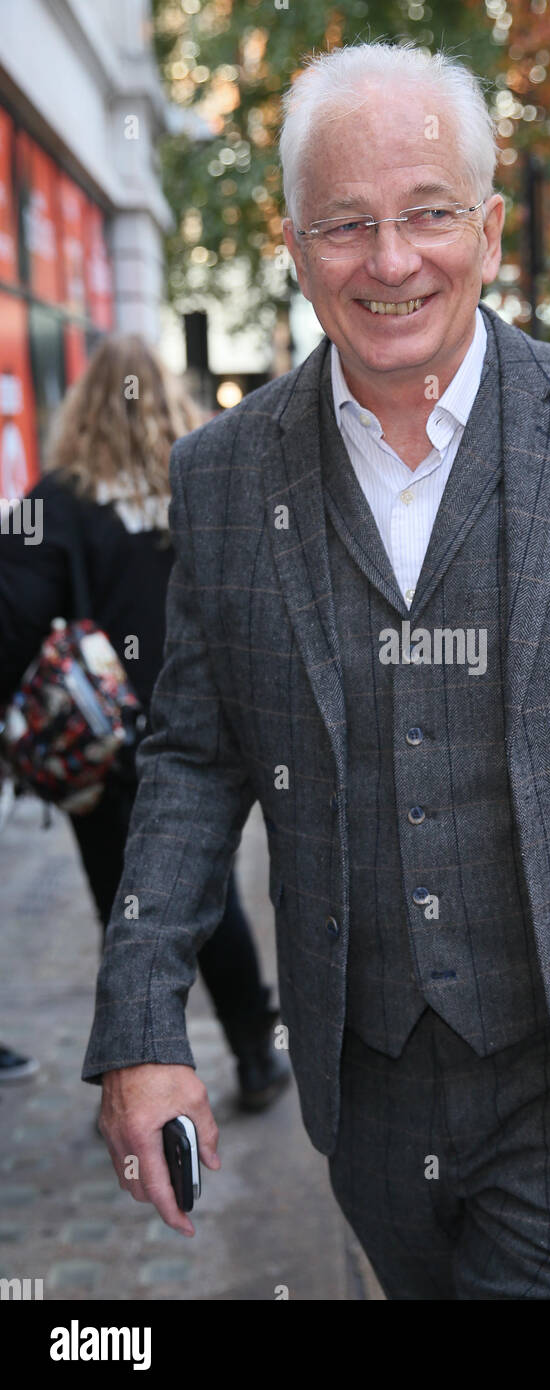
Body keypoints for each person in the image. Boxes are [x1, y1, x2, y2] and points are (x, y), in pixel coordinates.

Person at [83, 42, 550, 1299]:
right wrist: (141, 1023)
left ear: (485, 220)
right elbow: (194, 758)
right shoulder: (226, 474)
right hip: (371, 1097)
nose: (392, 260)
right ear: (295, 249)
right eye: (345, 225)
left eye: (426, 213)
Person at [0, 336, 290, 1112]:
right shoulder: (198, 475)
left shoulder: (59, 500)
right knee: (212, 892)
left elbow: (13, 618)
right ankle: (256, 1051)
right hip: (202, 725)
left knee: (123, 906)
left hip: (106, 742)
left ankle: (137, 1070)